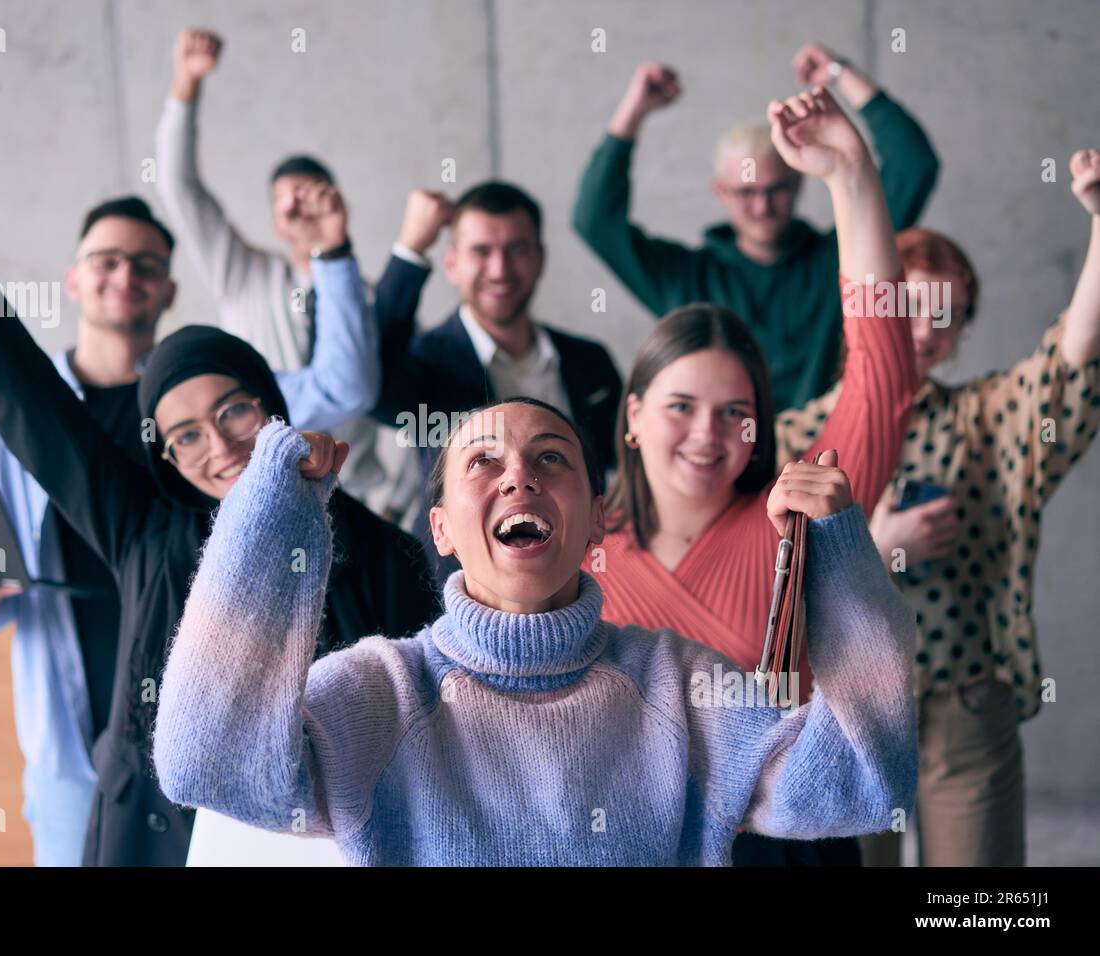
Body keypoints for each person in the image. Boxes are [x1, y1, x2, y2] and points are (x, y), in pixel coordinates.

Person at [0, 104, 440, 866]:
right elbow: (9, 372)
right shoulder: (144, 529)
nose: (219, 446)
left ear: (274, 409)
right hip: (156, 832)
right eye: (184, 436)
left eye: (235, 410)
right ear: (166, 458)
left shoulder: (371, 543)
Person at [153, 396, 918, 866]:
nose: (519, 476)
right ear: (443, 529)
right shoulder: (382, 689)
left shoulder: (677, 685)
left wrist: (842, 559)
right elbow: (208, 766)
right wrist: (270, 514)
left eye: (551, 458)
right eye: (483, 460)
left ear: (593, 522)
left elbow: (858, 789)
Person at [586, 87, 918, 866]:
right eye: (680, 406)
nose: (707, 434)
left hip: (782, 850)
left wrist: (850, 176)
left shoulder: (794, 514)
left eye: (734, 411)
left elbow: (882, 376)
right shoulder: (579, 539)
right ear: (632, 414)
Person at [776, 148, 1100, 866]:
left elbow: (1069, 368)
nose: (926, 331)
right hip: (844, 708)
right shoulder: (797, 436)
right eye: (913, 308)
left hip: (962, 696)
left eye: (947, 317)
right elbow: (759, 592)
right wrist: (877, 547)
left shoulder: (983, 418)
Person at [0, 195, 174, 866]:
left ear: (169, 289)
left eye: (144, 264)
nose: (124, 276)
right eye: (106, 260)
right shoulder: (6, 420)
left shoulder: (189, 412)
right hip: (71, 754)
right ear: (74, 278)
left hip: (189, 740)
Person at [572, 42, 939, 410]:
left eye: (776, 189)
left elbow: (913, 165)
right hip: (723, 461)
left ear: (799, 182)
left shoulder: (842, 257)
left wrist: (840, 73)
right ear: (720, 192)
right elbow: (595, 221)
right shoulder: (687, 278)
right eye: (746, 192)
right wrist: (634, 110)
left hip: (833, 456)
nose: (762, 207)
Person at [156, 27, 390, 507]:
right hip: (260, 494)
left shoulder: (365, 296)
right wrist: (186, 85)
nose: (301, 210)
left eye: (313, 196)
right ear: (272, 219)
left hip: (360, 503)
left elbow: (382, 400)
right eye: (288, 202)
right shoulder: (244, 273)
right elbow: (180, 189)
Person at [372, 181, 624, 576]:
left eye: (517, 249)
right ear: (452, 263)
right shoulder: (428, 363)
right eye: (481, 251)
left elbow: (616, 466)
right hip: (457, 588)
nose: (500, 269)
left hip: (585, 580)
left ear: (540, 258)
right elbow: (373, 388)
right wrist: (411, 248)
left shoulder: (588, 360)